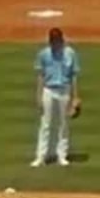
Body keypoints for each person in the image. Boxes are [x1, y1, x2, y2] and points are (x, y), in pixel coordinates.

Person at [30, 27, 80, 167]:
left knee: (63, 124)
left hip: (64, 90)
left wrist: (75, 97)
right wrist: (39, 95)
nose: (56, 44)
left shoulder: (70, 53)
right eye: (53, 42)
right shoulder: (44, 54)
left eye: (58, 41)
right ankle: (41, 156)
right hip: (48, 90)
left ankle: (62, 156)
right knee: (45, 123)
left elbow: (74, 76)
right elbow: (40, 75)